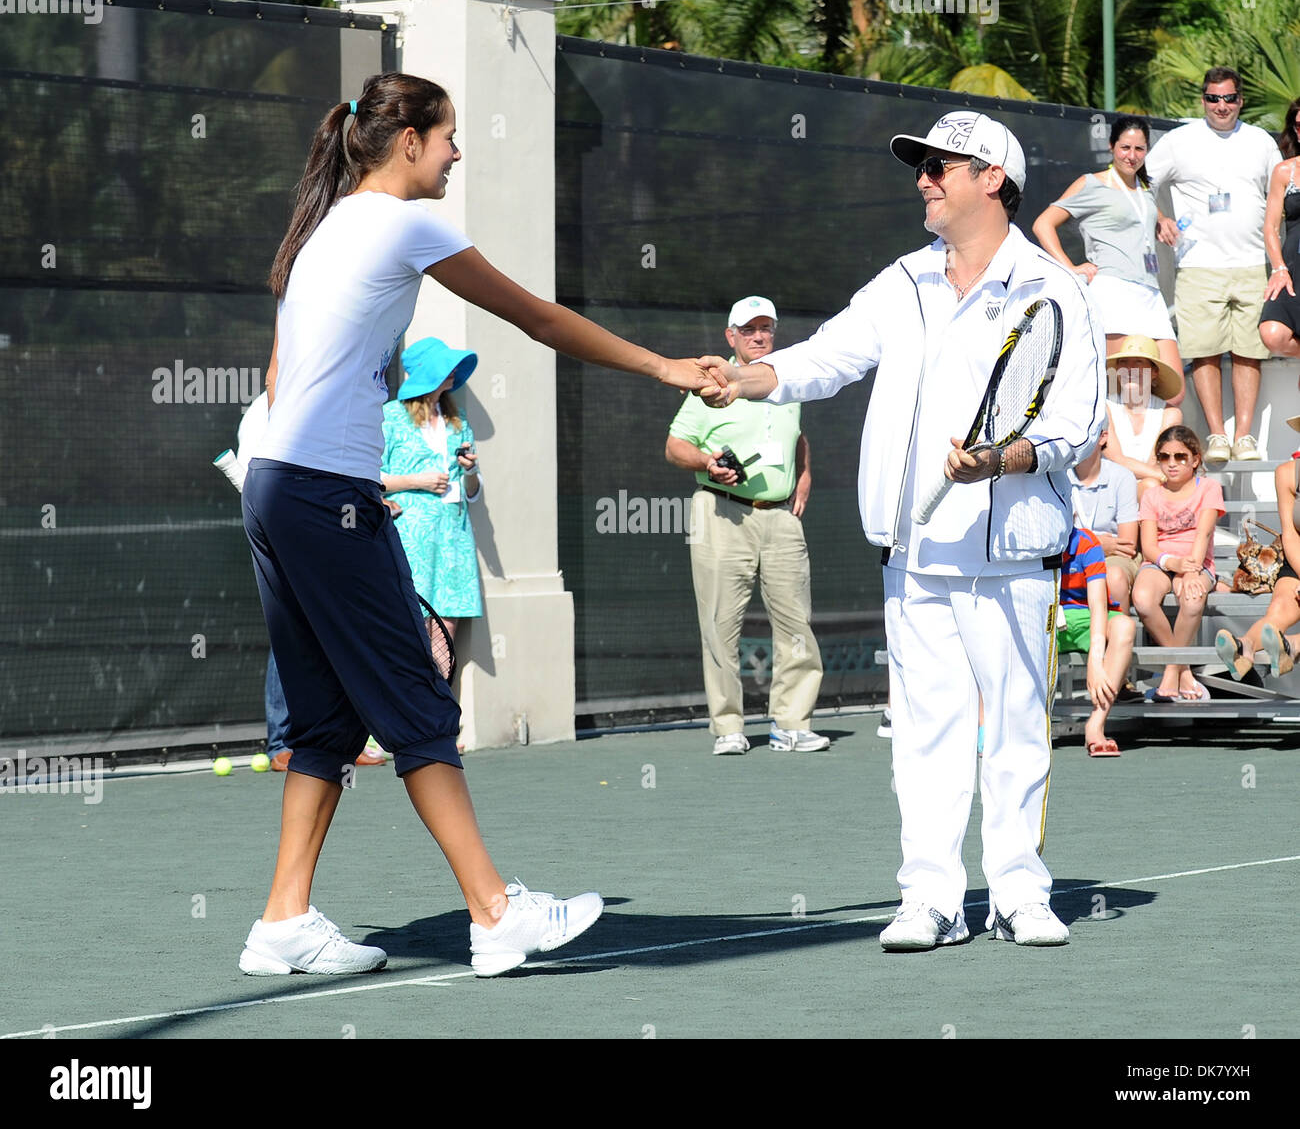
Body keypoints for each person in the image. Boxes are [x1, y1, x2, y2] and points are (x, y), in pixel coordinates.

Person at [239, 72, 709, 978]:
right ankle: (495, 915)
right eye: (449, 135)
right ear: (407, 140)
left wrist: (332, 480)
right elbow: (533, 315)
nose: (458, 152)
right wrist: (663, 369)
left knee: (325, 719)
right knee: (418, 703)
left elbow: (277, 375)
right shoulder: (406, 222)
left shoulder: (324, 228)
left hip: (279, 487)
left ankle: (282, 923)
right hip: (316, 493)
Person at [696, 111, 1106, 950]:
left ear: (992, 177)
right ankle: (932, 899)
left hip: (1012, 552)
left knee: (1020, 728)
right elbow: (827, 356)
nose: (924, 178)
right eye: (920, 165)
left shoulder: (1053, 288)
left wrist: (1002, 458)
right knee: (925, 735)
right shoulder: (902, 282)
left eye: (942, 165)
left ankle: (1020, 895)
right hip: (914, 557)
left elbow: (1080, 422)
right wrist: (748, 379)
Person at [666, 296, 827, 755]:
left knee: (797, 622)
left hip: (781, 519)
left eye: (767, 329)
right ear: (730, 337)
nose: (760, 337)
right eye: (749, 330)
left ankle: (791, 723)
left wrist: (806, 472)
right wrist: (706, 462)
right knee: (720, 623)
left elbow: (796, 435)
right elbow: (675, 446)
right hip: (721, 513)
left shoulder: (785, 382)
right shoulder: (710, 386)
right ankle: (728, 727)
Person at [232, 393, 386, 772]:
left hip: (336, 528)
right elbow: (263, 473)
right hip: (289, 527)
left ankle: (345, 741)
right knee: (292, 631)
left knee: (339, 633)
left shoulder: (332, 393)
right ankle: (282, 744)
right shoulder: (266, 408)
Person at [1144, 66, 1282, 465]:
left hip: (1254, 262)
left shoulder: (1261, 142)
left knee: (1247, 351)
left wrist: (1278, 262)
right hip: (1198, 264)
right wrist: (1158, 217)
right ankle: (1217, 436)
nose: (1221, 106)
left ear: (1241, 100)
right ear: (1202, 99)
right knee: (1204, 352)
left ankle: (1244, 437)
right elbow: (1140, 180)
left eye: (1229, 98)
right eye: (1213, 98)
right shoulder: (1178, 140)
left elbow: (1278, 198)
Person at [1032, 115, 1183, 395]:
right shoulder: (1092, 183)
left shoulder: (1144, 187)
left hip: (1150, 291)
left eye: (1139, 149)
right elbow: (1043, 224)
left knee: (1173, 390)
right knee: (1122, 388)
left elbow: (1139, 211)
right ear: (1112, 146)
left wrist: (1161, 220)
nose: (1132, 155)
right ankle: (1112, 439)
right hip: (1114, 290)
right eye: (1125, 147)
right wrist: (1070, 268)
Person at [381, 337, 484, 642]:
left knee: (446, 632)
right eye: (445, 366)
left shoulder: (458, 421)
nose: (453, 371)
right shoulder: (390, 418)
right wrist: (417, 481)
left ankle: (440, 692)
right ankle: (415, 691)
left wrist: (471, 470)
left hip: (453, 534)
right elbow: (368, 478)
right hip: (412, 539)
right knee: (413, 627)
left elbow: (473, 491)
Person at [1131, 426, 1225, 702]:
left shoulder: (1208, 487)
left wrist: (1191, 569)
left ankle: (1170, 671)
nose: (1172, 463)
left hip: (1195, 561)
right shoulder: (1151, 495)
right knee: (1143, 598)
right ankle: (1182, 670)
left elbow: (1203, 533)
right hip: (1161, 561)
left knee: (1193, 597)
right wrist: (1172, 562)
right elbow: (1149, 546)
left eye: (1180, 457)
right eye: (1164, 457)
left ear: (1195, 459)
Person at [1216, 414, 1300, 679]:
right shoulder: (1288, 473)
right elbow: (1290, 534)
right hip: (1298, 558)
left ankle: (1293, 645)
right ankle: (1245, 647)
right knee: (1280, 607)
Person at [1057, 524, 1136, 758]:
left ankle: (1096, 723)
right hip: (1047, 619)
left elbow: (1099, 604)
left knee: (1124, 625)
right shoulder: (1029, 544)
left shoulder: (1085, 542)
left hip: (1086, 617)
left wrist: (1095, 659)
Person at [1104, 334, 1184, 501]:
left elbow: (1158, 460)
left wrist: (1158, 476)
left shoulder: (1170, 414)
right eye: (1123, 362)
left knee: (1151, 487)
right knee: (1151, 487)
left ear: (1154, 372)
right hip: (1110, 490)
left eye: (1138, 362)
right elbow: (1116, 460)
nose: (1129, 369)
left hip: (1153, 490)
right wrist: (1162, 476)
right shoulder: (1105, 408)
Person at [1070, 422, 1141, 613]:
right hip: (1072, 554)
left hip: (1113, 555)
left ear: (1103, 437)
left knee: (1114, 577)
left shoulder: (1122, 477)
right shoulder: (1059, 475)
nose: (1079, 442)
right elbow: (1055, 537)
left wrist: (1087, 545)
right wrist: (1097, 544)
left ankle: (1119, 639)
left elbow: (1127, 544)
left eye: (1086, 434)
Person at [1259, 96, 1300, 359]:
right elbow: (1271, 227)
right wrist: (1279, 269)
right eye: (1297, 125)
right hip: (1293, 268)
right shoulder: (1285, 171)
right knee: (1272, 334)